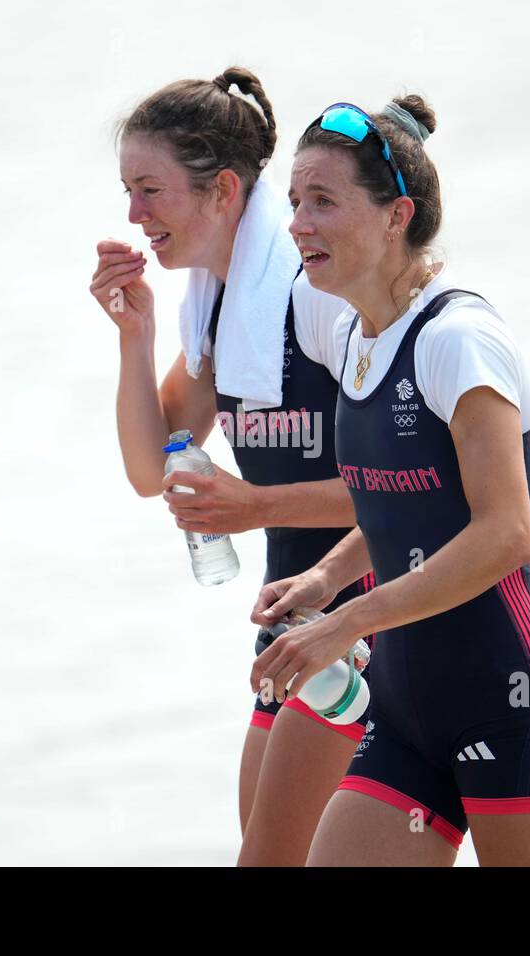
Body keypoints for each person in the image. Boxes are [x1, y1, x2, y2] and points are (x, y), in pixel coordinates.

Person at [250, 96, 530, 866]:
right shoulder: (353, 337)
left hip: (515, 706)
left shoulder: (458, 341)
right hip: (407, 719)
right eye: (295, 203)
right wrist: (323, 578)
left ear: (394, 215)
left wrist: (347, 622)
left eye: (323, 203)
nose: (299, 224)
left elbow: (505, 533)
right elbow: (401, 506)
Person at [88, 68, 373, 865]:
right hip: (288, 633)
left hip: (367, 618)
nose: (133, 215)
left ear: (220, 191)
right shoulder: (216, 307)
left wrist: (254, 506)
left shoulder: (312, 294)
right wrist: (133, 337)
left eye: (150, 190)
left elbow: (408, 487)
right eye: (127, 192)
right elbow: (151, 470)